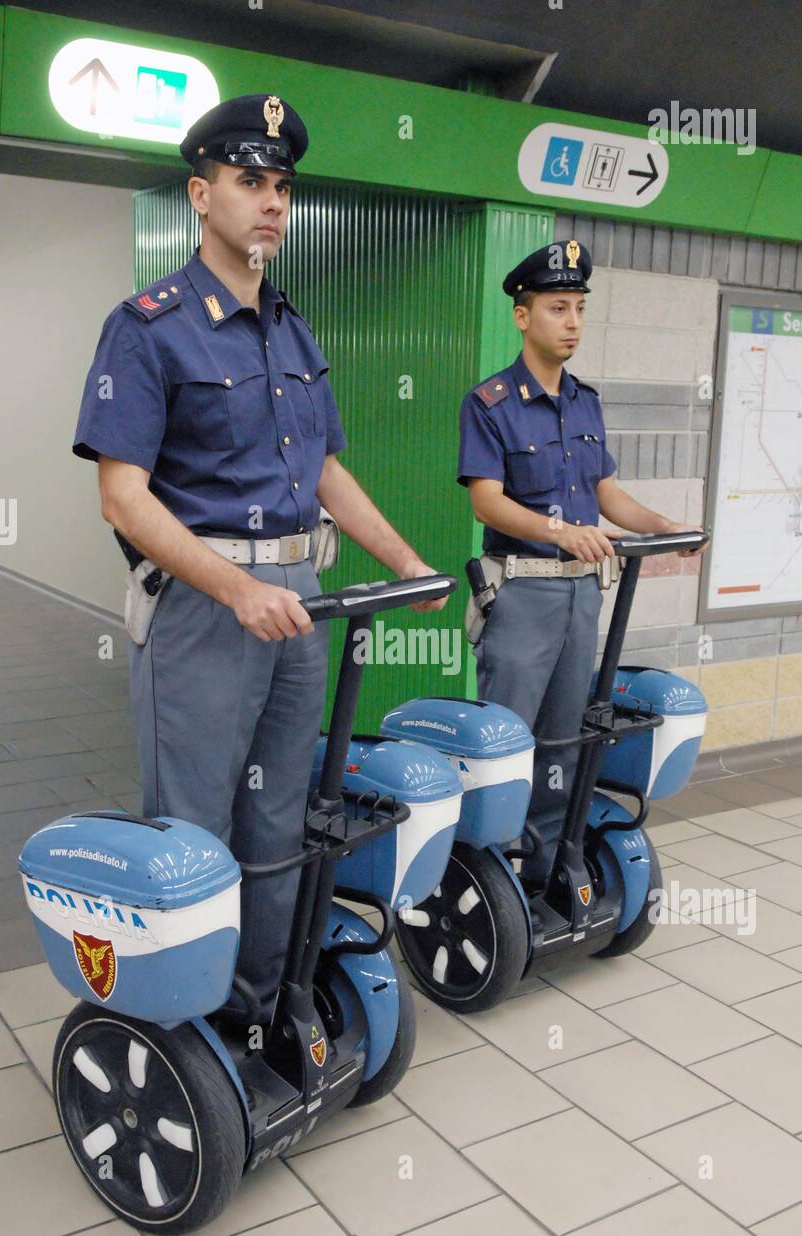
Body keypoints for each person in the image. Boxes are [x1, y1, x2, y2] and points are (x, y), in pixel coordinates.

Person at [73, 93, 447, 1023]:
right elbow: (123, 495)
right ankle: (183, 1025)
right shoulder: (148, 326)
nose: (271, 201)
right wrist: (237, 588)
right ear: (202, 196)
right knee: (195, 828)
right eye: (250, 182)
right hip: (207, 605)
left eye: (281, 185)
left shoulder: (292, 328)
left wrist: (405, 562)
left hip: (299, 602)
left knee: (279, 821)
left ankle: (256, 1005)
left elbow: (324, 470)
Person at [458, 239, 706, 893]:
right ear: (523, 315)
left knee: (563, 742)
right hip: (521, 595)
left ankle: (543, 874)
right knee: (507, 742)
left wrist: (666, 527)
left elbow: (607, 495)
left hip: (580, 599)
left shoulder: (585, 402)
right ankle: (486, 876)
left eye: (579, 309)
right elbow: (488, 499)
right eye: (557, 307)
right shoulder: (489, 405)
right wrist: (559, 531)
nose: (571, 322)